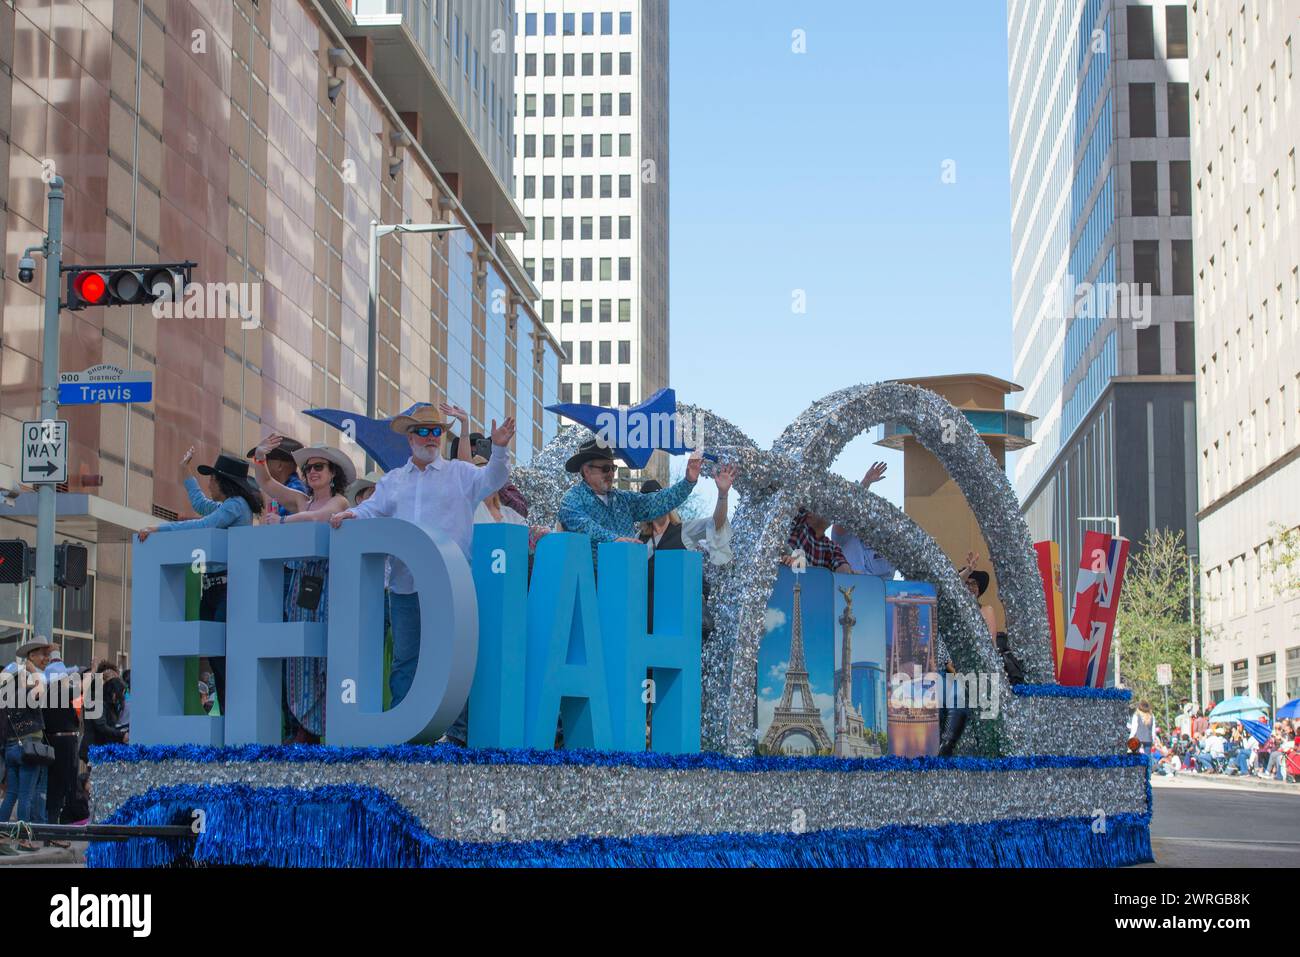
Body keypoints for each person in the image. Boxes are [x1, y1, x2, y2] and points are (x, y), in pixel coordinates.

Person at [331, 406, 516, 742]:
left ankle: (458, 736)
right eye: (425, 432)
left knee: (453, 660)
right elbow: (371, 509)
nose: (432, 438)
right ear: (410, 437)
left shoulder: (460, 473)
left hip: (451, 584)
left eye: (436, 432)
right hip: (405, 584)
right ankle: (406, 735)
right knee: (407, 659)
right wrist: (352, 515)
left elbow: (494, 478)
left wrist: (500, 448)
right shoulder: (393, 481)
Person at [137, 449, 264, 709]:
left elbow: (203, 524)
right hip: (216, 588)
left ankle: (232, 714)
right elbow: (201, 504)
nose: (209, 483)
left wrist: (160, 528)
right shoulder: (231, 505)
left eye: (212, 479)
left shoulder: (236, 505)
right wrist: (186, 472)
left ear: (223, 482)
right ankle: (230, 714)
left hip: (227, 588)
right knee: (217, 656)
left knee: (222, 657)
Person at [253, 440, 355, 742]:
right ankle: (305, 726)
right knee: (298, 655)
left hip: (328, 582)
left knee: (325, 656)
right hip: (301, 582)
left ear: (333, 473)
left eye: (318, 467)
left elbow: (315, 519)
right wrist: (260, 457)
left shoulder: (339, 502)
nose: (312, 472)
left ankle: (323, 726)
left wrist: (281, 520)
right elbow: (268, 483)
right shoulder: (301, 499)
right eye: (308, 468)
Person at [557, 439, 703, 565]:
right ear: (587, 470)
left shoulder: (623, 499)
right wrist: (615, 540)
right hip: (592, 583)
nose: (610, 473)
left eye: (613, 468)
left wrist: (688, 481)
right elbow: (583, 526)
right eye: (605, 468)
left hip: (627, 582)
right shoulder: (572, 499)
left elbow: (656, 502)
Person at [636, 464, 737, 632]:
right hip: (646, 621)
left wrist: (723, 494)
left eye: (659, 499)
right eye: (648, 502)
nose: (655, 506)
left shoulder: (684, 531)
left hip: (678, 621)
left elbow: (716, 523)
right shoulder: (638, 539)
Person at [0, 639, 54, 854]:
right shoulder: (27, 680)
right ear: (30, 656)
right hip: (28, 746)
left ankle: (2, 835)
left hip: (13, 747)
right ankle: (23, 839)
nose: (46, 659)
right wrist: (36, 673)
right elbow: (41, 691)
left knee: (11, 794)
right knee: (26, 795)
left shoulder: (9, 684)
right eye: (41, 654)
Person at [831, 462, 896, 577]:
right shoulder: (846, 536)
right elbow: (843, 514)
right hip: (850, 590)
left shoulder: (886, 545)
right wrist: (865, 482)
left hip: (878, 592)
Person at [246, 435, 306, 517]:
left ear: (279, 465)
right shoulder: (280, 489)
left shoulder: (295, 488)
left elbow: (287, 528)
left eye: (265, 459)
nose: (263, 465)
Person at [786, 509, 851, 572]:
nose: (830, 511)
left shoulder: (831, 547)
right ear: (810, 513)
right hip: (783, 573)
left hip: (805, 581)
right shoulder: (799, 522)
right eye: (825, 506)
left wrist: (848, 571)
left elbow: (841, 564)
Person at [957, 552, 998, 642]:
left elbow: (992, 644)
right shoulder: (955, 611)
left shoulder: (987, 610)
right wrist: (968, 571)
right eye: (966, 584)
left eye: (974, 583)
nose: (971, 587)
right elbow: (953, 583)